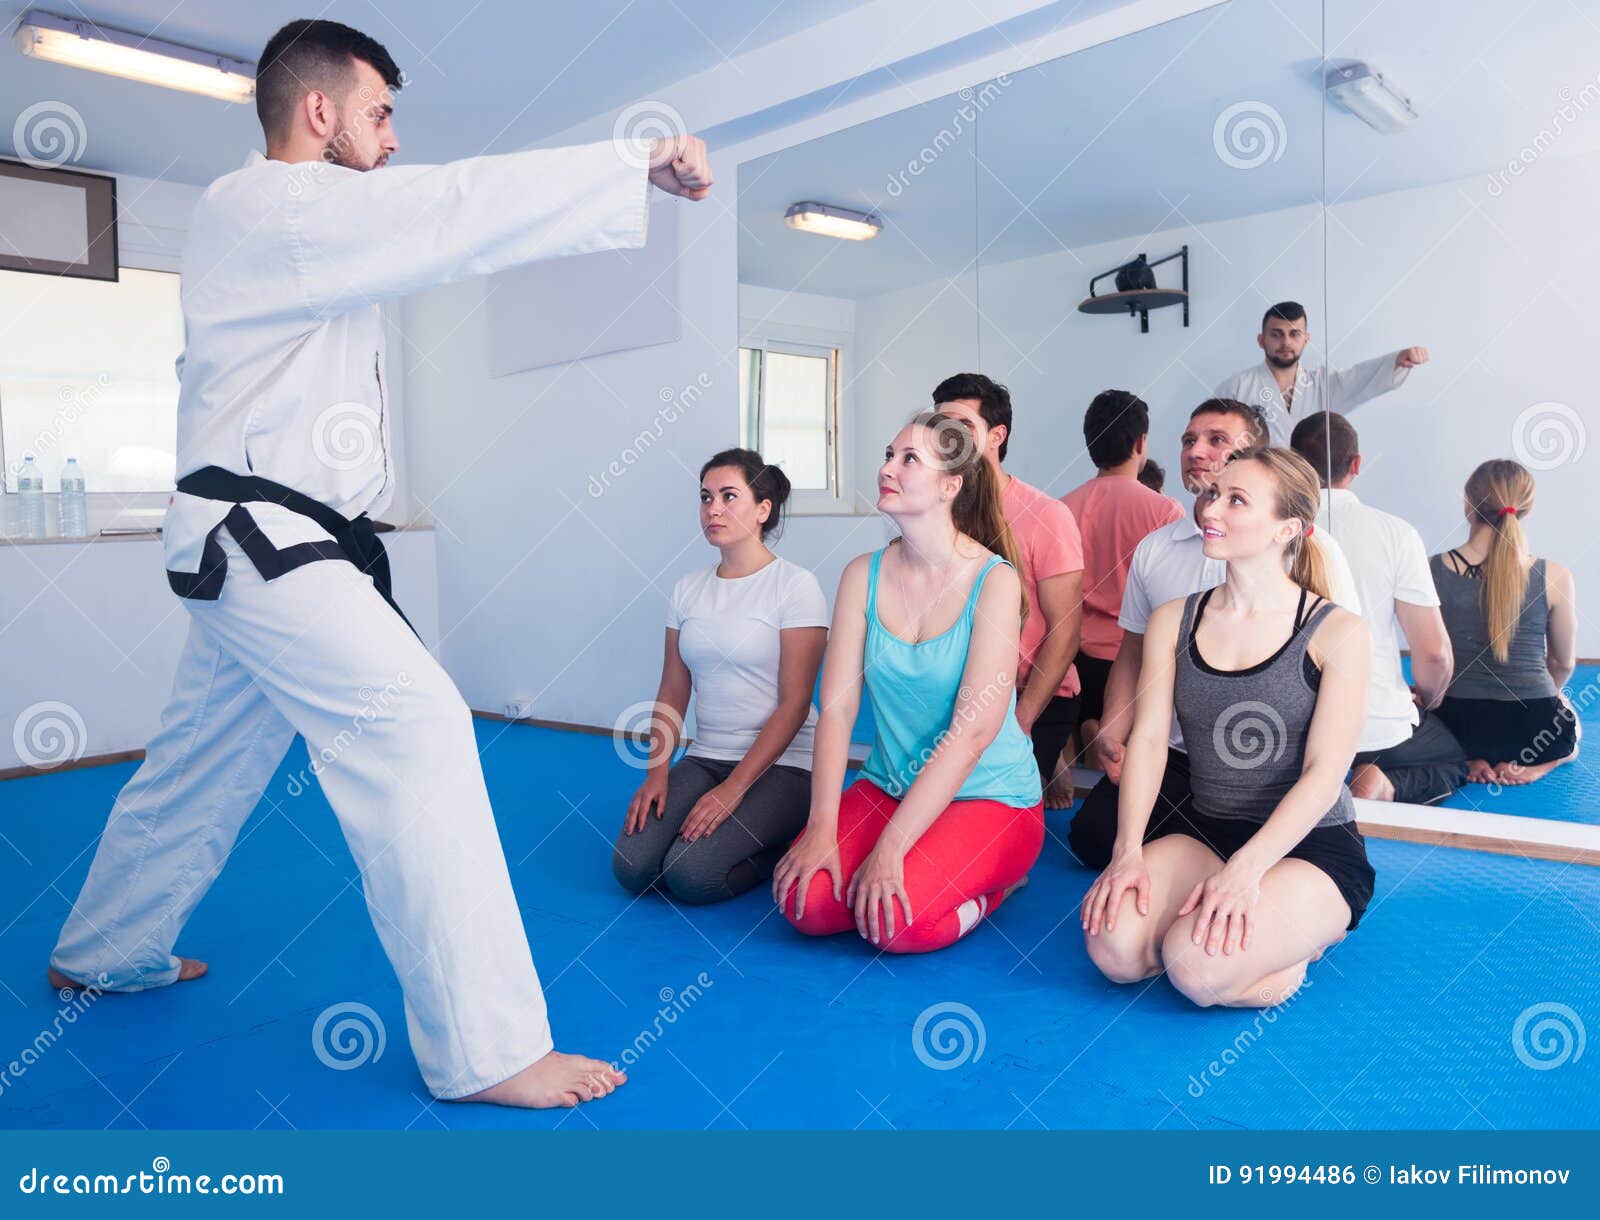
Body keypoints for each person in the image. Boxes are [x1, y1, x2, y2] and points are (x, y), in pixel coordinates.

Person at [47, 19, 713, 1109]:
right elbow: (450, 211)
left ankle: (107, 943)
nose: (394, 139)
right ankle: (488, 1048)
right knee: (420, 724)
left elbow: (417, 227)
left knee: (201, 758)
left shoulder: (287, 233)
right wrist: (623, 159)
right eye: (381, 112)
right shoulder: (272, 204)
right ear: (320, 112)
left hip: (262, 549)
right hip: (265, 543)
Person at [1081, 448, 1375, 1008]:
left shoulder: (1337, 632)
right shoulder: (1175, 619)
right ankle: (1230, 927)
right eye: (1213, 493)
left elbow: (1324, 773)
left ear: (1286, 528)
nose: (1211, 507)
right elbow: (1148, 741)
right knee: (1113, 952)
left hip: (1308, 848)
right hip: (1206, 830)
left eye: (1236, 500)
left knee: (1194, 970)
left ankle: (1310, 940)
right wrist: (1128, 853)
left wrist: (1247, 871)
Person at [774, 412, 1044, 952]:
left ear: (951, 486)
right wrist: (822, 827)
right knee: (805, 902)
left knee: (895, 926)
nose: (887, 468)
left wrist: (891, 848)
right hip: (889, 786)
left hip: (989, 795)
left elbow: (970, 736)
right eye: (888, 454)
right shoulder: (861, 574)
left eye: (908, 459)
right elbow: (837, 711)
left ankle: (1000, 888)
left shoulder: (995, 581)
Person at [1067, 398, 1365, 868]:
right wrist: (1112, 727)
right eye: (1189, 440)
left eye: (1216, 440)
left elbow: (1336, 663)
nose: (1195, 451)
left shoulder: (1313, 549)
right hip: (1181, 754)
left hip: (1273, 762)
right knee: (1092, 839)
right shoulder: (1158, 549)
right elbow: (1132, 650)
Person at [613, 450, 827, 902]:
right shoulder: (687, 589)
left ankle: (781, 845)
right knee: (633, 867)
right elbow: (672, 689)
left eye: (730, 496)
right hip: (709, 756)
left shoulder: (795, 586)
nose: (713, 508)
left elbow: (794, 704)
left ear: (763, 509)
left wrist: (734, 790)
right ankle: (719, 827)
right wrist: (657, 773)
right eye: (706, 497)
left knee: (691, 875)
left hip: (785, 766)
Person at [1289, 413, 1467, 803]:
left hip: (1286, 730)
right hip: (1375, 728)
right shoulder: (1396, 533)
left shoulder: (1274, 528)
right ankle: (1384, 783)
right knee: (1451, 760)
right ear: (1356, 464)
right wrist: (1426, 698)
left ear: (1294, 461)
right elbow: (1434, 652)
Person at [932, 374, 1084, 804]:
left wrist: (1020, 724)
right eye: (940, 425)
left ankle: (1045, 754)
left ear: (997, 435)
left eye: (962, 426)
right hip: (958, 690)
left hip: (1030, 690)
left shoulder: (1047, 516)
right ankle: (1046, 764)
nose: (947, 437)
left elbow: (1066, 630)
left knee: (984, 822)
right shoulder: (936, 511)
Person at [1430, 459, 1579, 786]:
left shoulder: (1432, 570)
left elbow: (1432, 656)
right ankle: (1538, 767)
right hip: (1534, 732)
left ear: (1468, 505)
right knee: (1571, 723)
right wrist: (1549, 695)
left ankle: (1471, 759)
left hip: (1457, 727)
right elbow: (1562, 662)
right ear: (1525, 509)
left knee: (1418, 713)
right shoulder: (1555, 576)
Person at [1062, 390, 1184, 780]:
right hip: (1131, 662)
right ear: (1141, 443)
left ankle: (1077, 734)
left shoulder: (1061, 508)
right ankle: (1105, 736)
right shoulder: (1164, 511)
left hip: (1071, 660)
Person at [1215, 301, 1428, 445]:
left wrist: (1396, 361)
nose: (1286, 342)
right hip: (1254, 492)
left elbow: (1359, 378)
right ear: (1261, 340)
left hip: (1309, 489)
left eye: (1294, 334)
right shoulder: (1236, 387)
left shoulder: (1323, 385)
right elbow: (1217, 440)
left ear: (1306, 339)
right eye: (1277, 334)